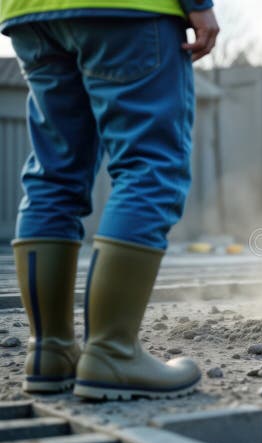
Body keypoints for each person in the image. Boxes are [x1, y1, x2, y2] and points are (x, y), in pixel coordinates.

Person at [1, 0, 219, 400]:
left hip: (28, 13)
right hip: (128, 10)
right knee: (149, 166)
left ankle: (49, 352)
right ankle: (111, 353)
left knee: (54, 173)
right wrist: (198, 5)